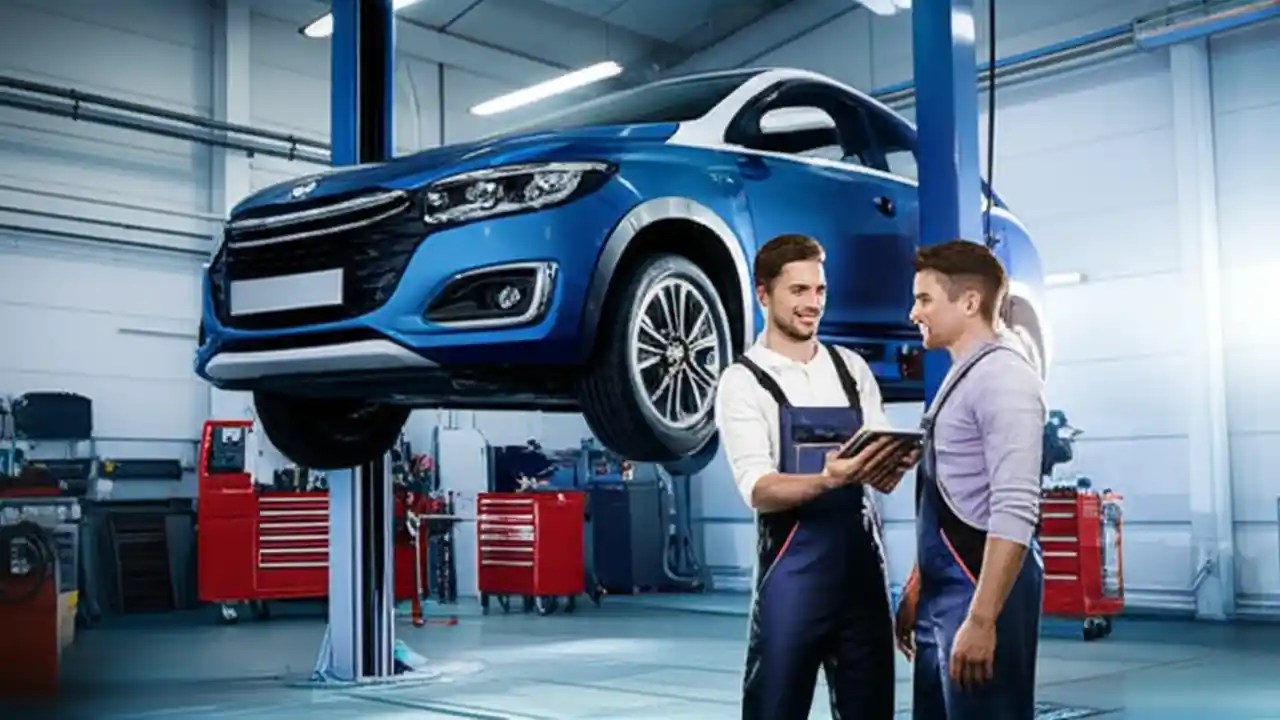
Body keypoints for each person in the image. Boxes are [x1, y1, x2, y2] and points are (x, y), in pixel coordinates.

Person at [713, 233, 919, 720]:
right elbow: (757, 489)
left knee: (871, 710)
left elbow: (882, 456)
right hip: (792, 578)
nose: (813, 304)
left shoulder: (851, 368)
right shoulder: (743, 380)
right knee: (775, 709)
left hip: (863, 576)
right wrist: (827, 480)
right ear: (763, 295)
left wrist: (894, 462)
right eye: (798, 291)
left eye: (820, 291)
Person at [895, 239, 1046, 720]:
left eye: (924, 300)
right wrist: (920, 583)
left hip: (981, 591)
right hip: (945, 591)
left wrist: (982, 619)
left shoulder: (1005, 377)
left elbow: (1015, 507)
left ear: (969, 302)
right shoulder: (965, 373)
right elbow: (956, 492)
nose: (912, 313)